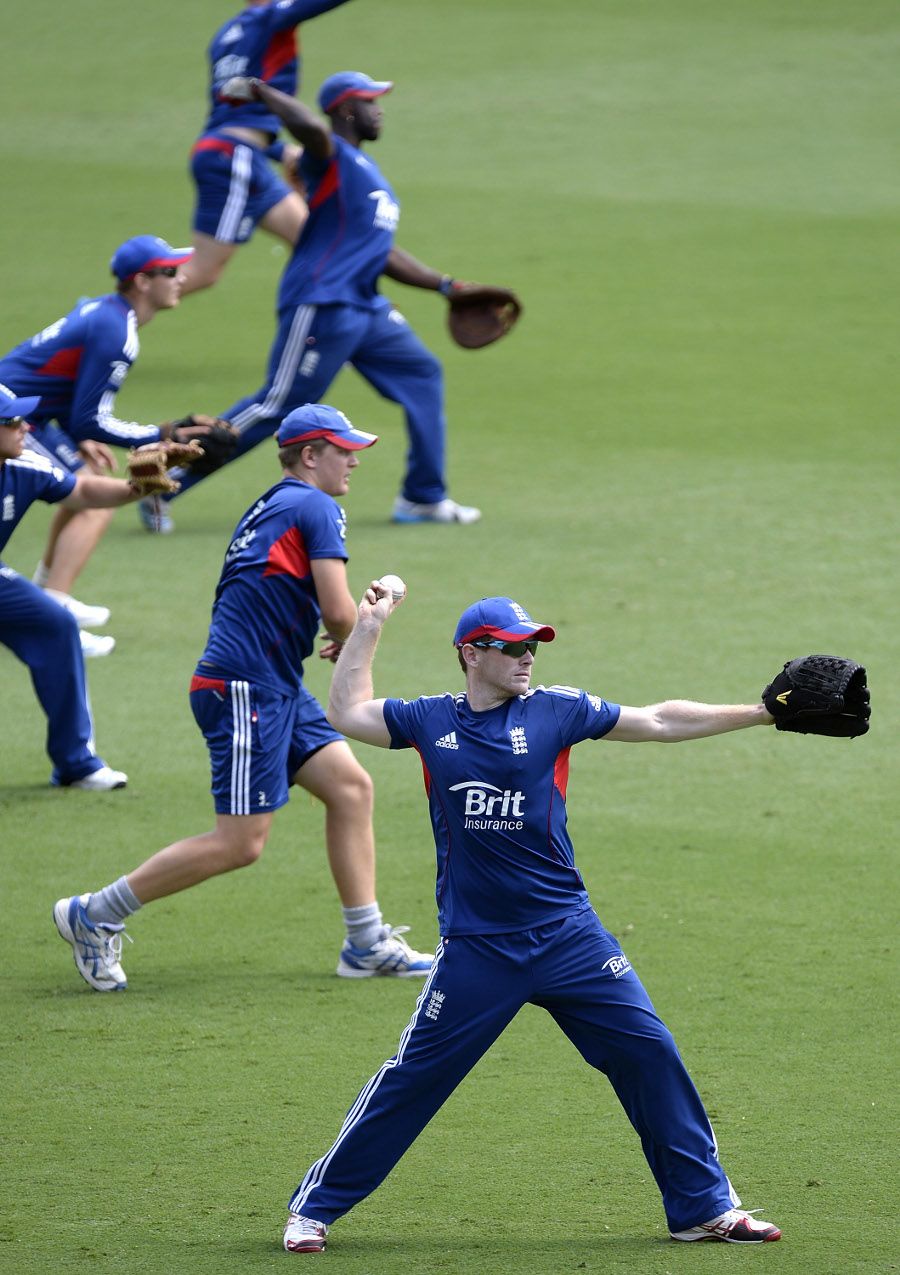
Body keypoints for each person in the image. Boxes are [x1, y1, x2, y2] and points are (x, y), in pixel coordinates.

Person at [280, 591, 783, 1253]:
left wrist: (760, 712)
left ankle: (703, 1207)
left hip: (571, 936)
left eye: (533, 645)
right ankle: (314, 1208)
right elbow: (345, 711)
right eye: (512, 646)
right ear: (471, 653)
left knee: (649, 1050)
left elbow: (657, 720)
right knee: (414, 1078)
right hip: (479, 949)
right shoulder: (430, 720)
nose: (527, 656)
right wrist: (369, 625)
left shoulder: (557, 709)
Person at [52, 404, 432, 991]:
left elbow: (280, 595)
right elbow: (335, 610)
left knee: (350, 788)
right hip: (244, 689)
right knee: (240, 843)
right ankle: (94, 913)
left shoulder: (275, 503)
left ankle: (365, 942)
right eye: (343, 449)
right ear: (310, 455)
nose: (354, 459)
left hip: (267, 683)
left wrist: (339, 630)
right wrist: (363, 626)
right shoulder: (317, 505)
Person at [144, 71, 502, 533]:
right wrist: (261, 91)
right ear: (346, 111)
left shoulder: (367, 174)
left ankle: (422, 497)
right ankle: (164, 481)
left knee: (422, 374)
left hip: (366, 307)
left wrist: (446, 286)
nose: (380, 111)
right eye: (371, 103)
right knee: (278, 403)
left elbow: (384, 252)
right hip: (322, 302)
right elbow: (311, 131)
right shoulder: (330, 158)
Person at [0, 235, 193, 655]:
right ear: (142, 282)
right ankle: (54, 613)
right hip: (12, 420)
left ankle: (50, 596)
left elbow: (73, 404)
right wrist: (159, 435)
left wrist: (80, 437)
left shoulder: (108, 313)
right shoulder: (117, 333)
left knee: (88, 478)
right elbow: (92, 416)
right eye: (171, 271)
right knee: (94, 497)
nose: (182, 278)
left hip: (29, 415)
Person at [0, 388, 149, 789]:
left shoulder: (24, 464)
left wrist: (136, 489)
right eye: (12, 421)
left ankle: (76, 764)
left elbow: (80, 491)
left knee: (56, 625)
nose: (25, 428)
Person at [179, 0, 354, 297]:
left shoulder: (224, 36)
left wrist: (280, 151)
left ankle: (330, 327)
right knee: (204, 271)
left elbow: (231, 115)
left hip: (236, 153)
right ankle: (112, 316)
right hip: (234, 158)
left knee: (317, 246)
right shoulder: (271, 17)